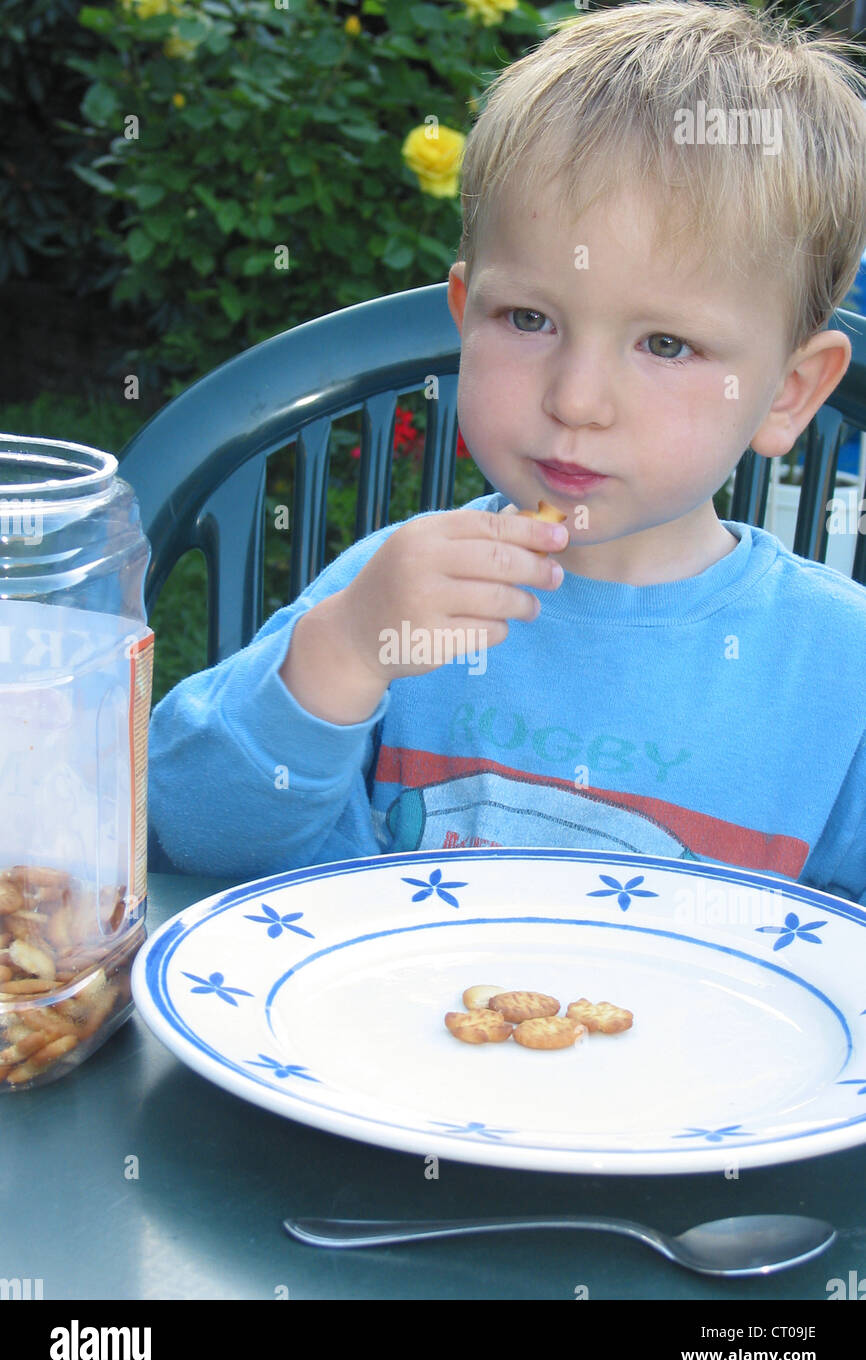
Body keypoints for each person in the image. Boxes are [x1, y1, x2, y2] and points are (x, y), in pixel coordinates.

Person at [147, 0, 866, 904]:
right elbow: (186, 837)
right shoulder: (396, 598)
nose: (575, 399)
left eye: (666, 345)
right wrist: (340, 658)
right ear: (464, 318)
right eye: (528, 320)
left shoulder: (841, 669)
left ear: (790, 391)